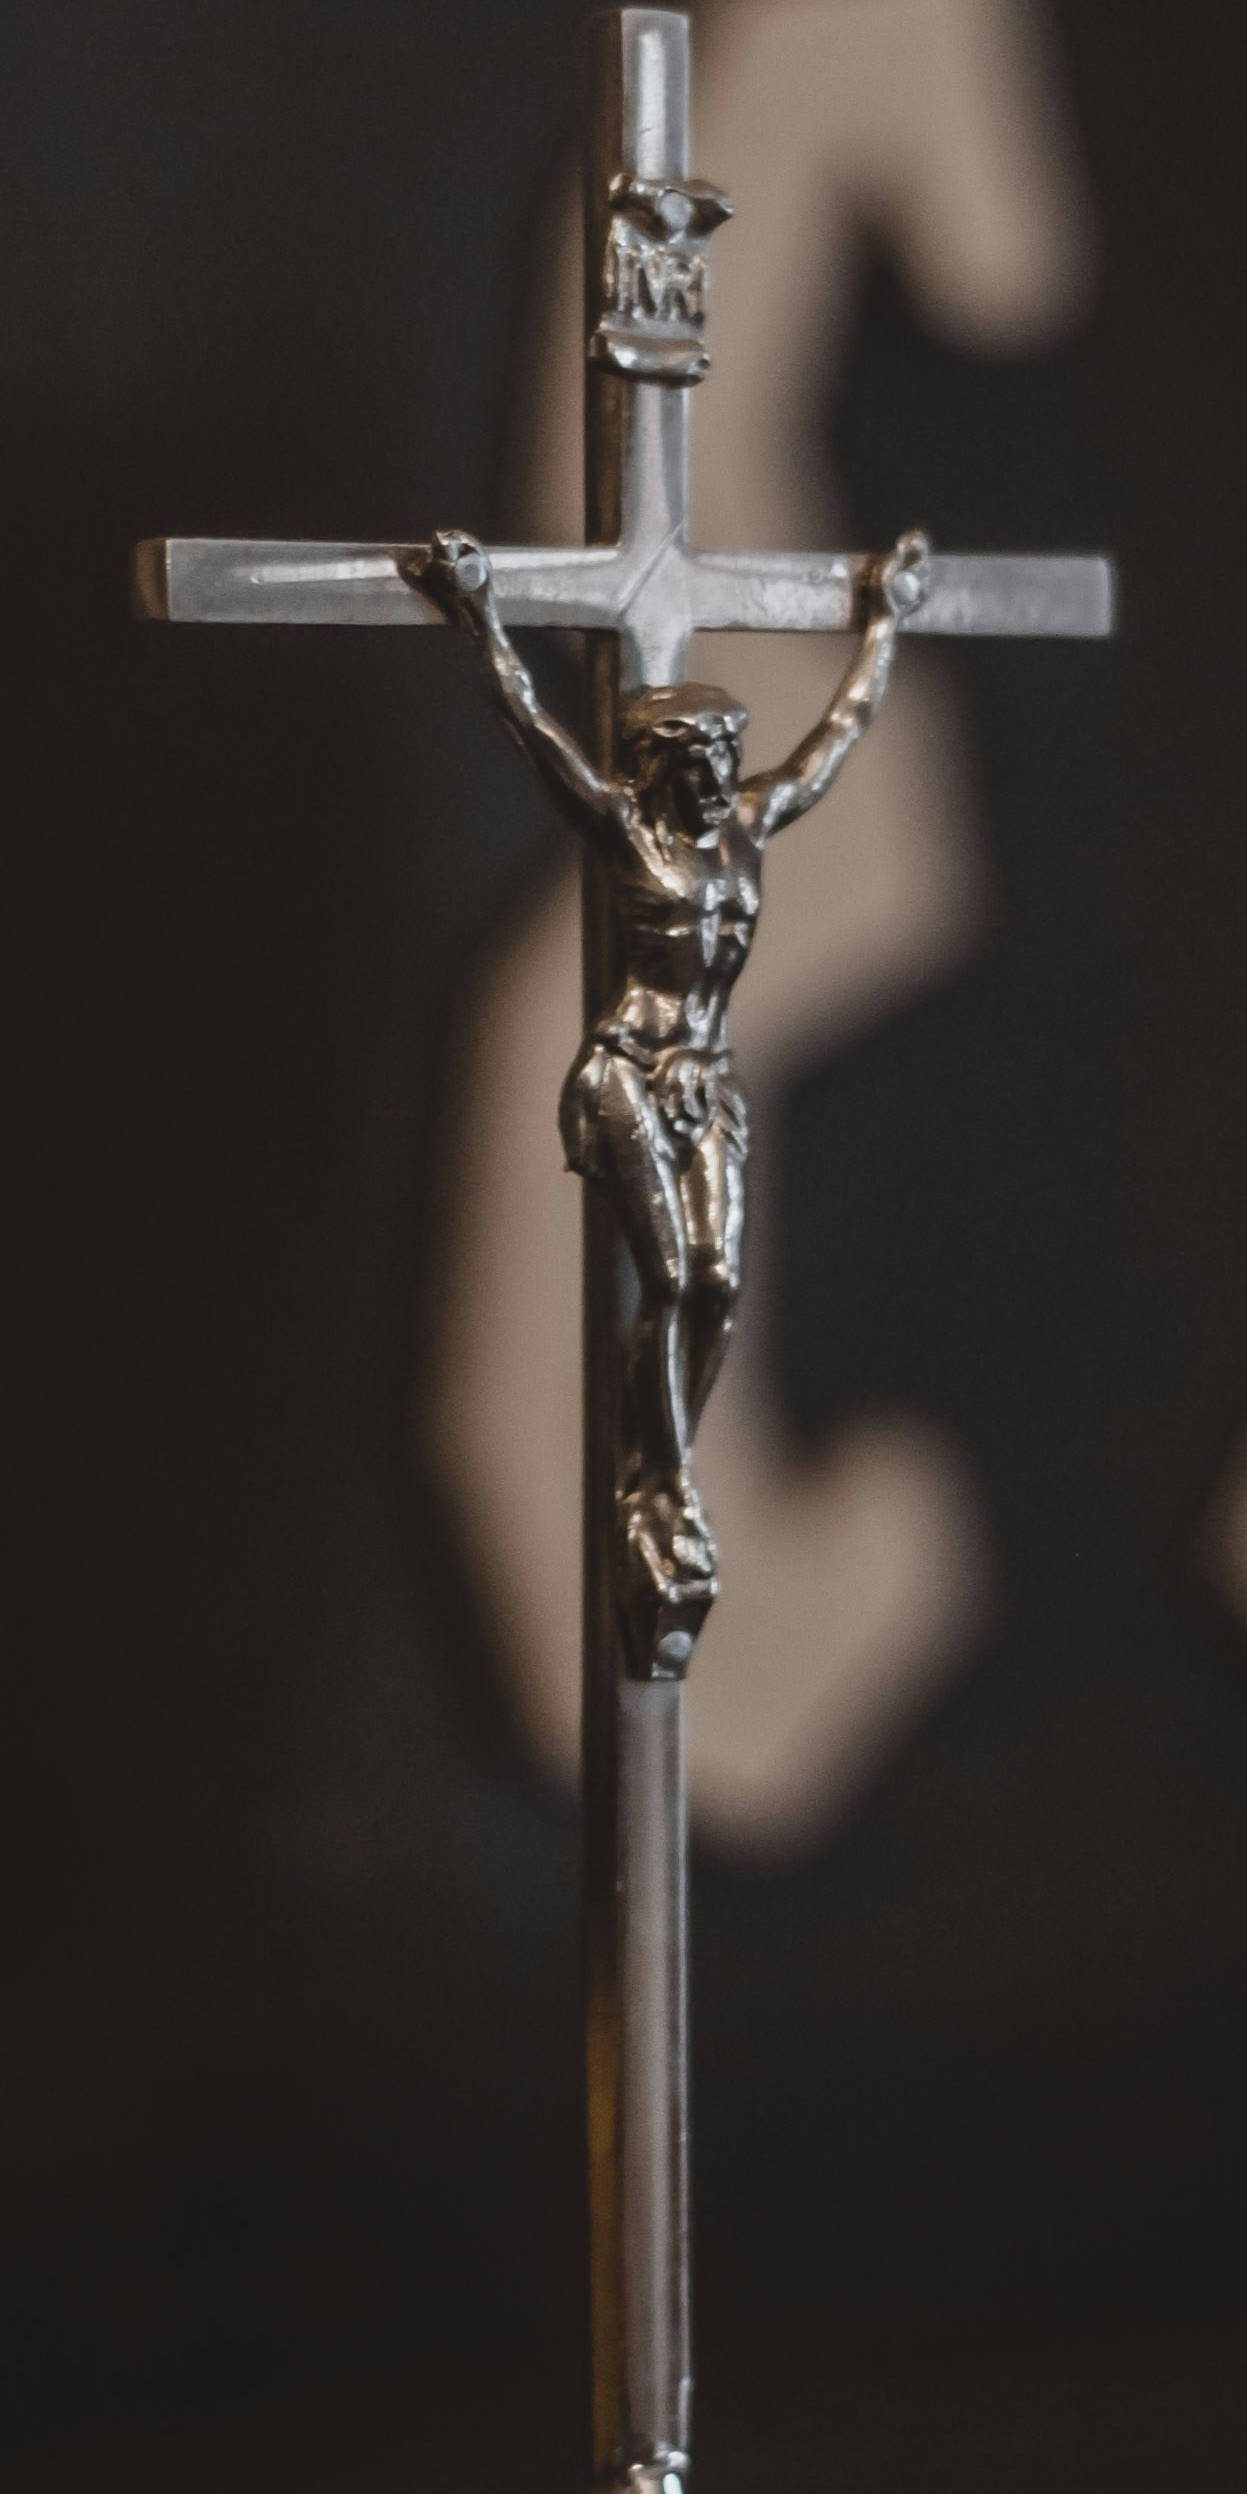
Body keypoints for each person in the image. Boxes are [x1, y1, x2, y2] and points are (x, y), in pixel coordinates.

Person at [406, 521, 933, 1651]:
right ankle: (662, 1485)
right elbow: (530, 721)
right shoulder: (628, 833)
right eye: (700, 757)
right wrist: (478, 608)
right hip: (627, 1078)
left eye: (727, 753)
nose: (718, 773)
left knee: (719, 1288)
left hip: (711, 1078)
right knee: (671, 1278)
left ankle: (664, 1465)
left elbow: (839, 735)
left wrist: (883, 622)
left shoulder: (748, 828)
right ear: (661, 763)